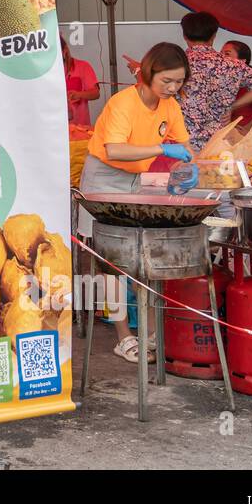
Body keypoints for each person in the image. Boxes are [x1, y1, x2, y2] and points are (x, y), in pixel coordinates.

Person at [83, 42, 192, 363]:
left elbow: (183, 145)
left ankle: (150, 332)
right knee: (109, 263)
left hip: (134, 179)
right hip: (103, 178)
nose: (173, 88)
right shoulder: (123, 104)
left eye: (180, 82)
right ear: (147, 74)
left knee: (139, 256)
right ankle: (124, 338)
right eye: (166, 81)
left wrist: (188, 166)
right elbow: (115, 150)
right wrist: (162, 151)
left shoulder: (170, 106)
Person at [171, 12, 252, 153]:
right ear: (213, 36)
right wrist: (232, 106)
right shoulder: (233, 64)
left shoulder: (173, 63)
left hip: (181, 145)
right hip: (219, 145)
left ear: (185, 36)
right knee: (217, 175)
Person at [62, 36, 100, 127]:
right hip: (56, 129)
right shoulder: (47, 73)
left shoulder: (83, 66)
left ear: (65, 51)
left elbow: (96, 93)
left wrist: (79, 94)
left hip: (80, 128)